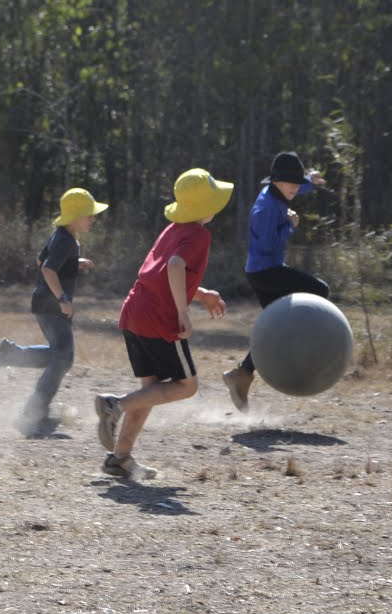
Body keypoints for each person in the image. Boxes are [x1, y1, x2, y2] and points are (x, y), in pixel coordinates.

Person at [92, 168, 234, 479]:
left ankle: (120, 458)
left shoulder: (173, 229)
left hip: (135, 311)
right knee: (186, 386)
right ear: (204, 207)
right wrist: (182, 312)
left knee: (153, 390)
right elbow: (175, 265)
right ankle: (114, 405)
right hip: (158, 318)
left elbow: (163, 274)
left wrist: (201, 294)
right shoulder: (199, 234)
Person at [0, 187, 108, 436]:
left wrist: (73, 263)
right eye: (89, 215)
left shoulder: (61, 236)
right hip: (52, 306)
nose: (93, 219)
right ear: (74, 217)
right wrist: (62, 298)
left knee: (58, 356)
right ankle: (33, 412)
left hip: (44, 304)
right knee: (63, 358)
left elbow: (42, 261)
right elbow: (49, 270)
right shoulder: (66, 240)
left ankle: (10, 354)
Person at [222, 151, 330, 411]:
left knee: (275, 330)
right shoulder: (266, 209)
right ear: (275, 182)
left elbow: (296, 187)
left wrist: (310, 181)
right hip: (267, 272)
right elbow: (270, 244)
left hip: (263, 271)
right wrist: (290, 224)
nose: (295, 187)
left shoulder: (279, 191)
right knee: (320, 290)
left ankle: (241, 375)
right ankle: (306, 344)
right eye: (290, 182)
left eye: (297, 182)